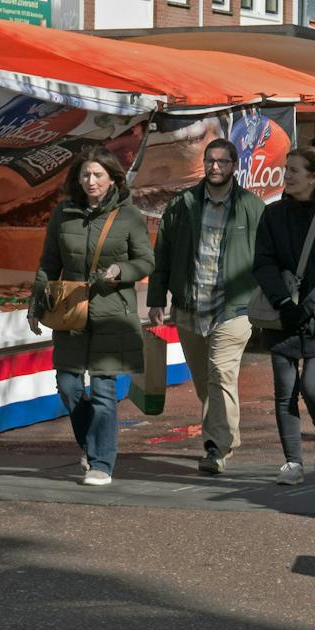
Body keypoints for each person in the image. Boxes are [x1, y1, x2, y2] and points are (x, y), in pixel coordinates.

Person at [30, 149, 155, 487]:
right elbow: (48, 262)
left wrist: (121, 270)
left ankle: (102, 462)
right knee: (68, 387)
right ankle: (90, 442)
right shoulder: (63, 214)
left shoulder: (129, 216)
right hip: (71, 312)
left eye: (98, 175)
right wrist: (36, 304)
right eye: (86, 175)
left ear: (113, 178)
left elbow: (146, 261)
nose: (91, 181)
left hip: (113, 313)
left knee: (103, 391)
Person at [147, 139, 266, 475]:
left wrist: (264, 299)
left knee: (220, 374)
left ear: (234, 166)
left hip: (234, 310)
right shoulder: (182, 205)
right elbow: (164, 256)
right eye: (210, 161)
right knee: (205, 381)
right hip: (188, 308)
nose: (215, 167)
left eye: (223, 162)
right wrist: (157, 299)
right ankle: (224, 434)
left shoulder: (251, 208)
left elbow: (266, 259)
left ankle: (217, 447)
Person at [253, 147, 315, 486]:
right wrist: (283, 302)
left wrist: (307, 307)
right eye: (287, 168)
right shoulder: (273, 215)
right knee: (284, 391)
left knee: (314, 388)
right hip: (281, 315)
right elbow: (263, 263)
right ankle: (292, 462)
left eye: (295, 170)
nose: (288, 175)